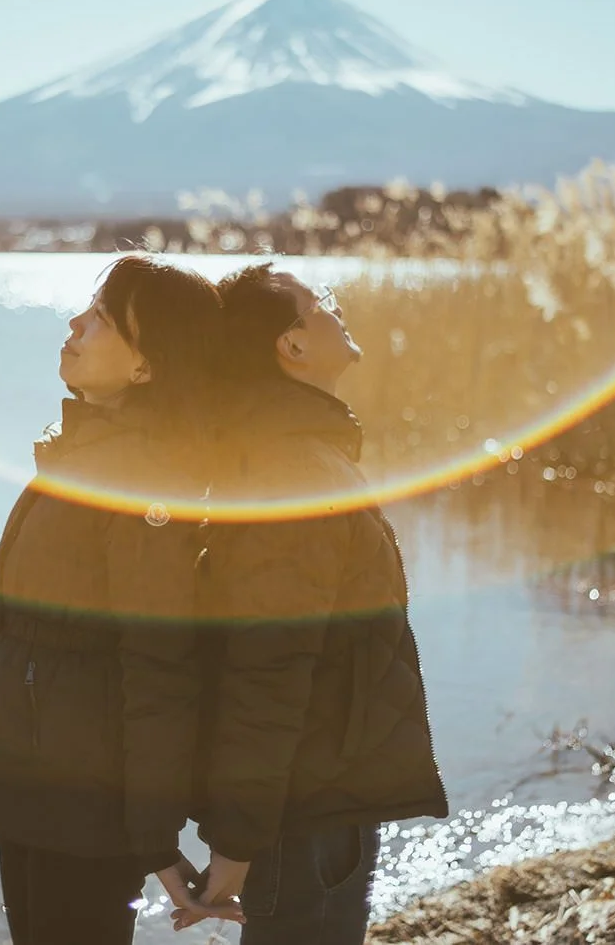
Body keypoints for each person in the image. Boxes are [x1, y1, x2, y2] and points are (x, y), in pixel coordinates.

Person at [0, 255, 238, 944]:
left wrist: (153, 834)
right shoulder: (83, 459)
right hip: (39, 779)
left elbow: (159, 663)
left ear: (146, 366)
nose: (76, 321)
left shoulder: (142, 483)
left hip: (83, 800)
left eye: (102, 316)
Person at [171, 262, 448, 942]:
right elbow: (269, 662)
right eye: (319, 302)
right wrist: (238, 836)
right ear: (290, 346)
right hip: (308, 803)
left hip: (318, 784)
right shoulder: (294, 469)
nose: (336, 308)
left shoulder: (294, 452)